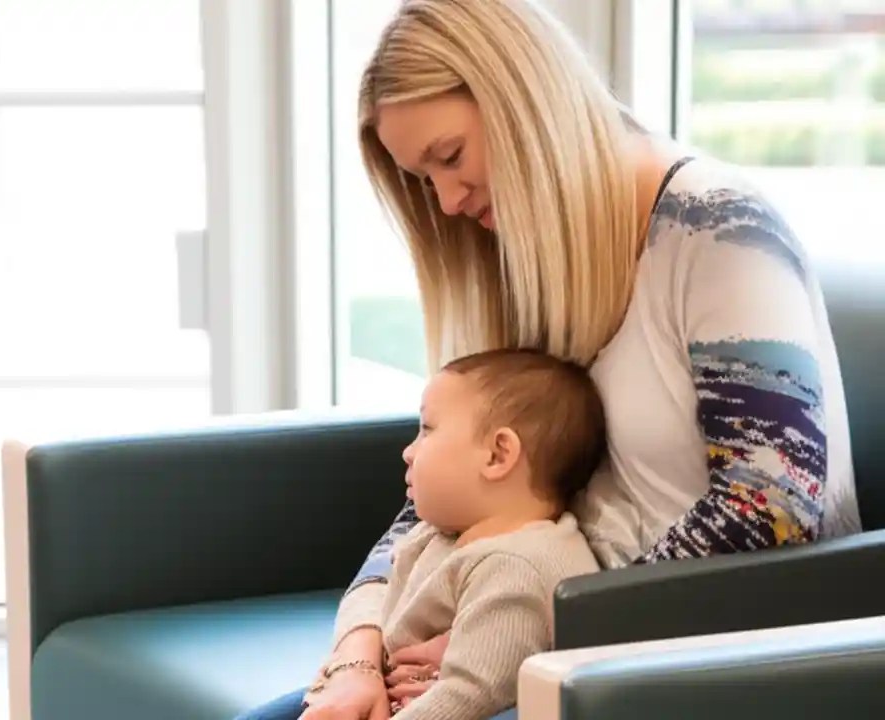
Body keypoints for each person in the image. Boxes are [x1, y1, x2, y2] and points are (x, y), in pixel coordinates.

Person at [239, 1, 860, 719]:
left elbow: (771, 505)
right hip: (543, 642)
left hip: (694, 656)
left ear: (522, 101)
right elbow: (436, 504)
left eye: (449, 158)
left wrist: (530, 630)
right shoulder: (529, 256)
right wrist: (354, 660)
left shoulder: (716, 225)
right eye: (421, 180)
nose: (444, 201)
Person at [308, 349, 603, 720]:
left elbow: (466, 698)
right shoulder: (447, 532)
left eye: (427, 430)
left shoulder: (516, 569)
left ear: (497, 456)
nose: (408, 452)